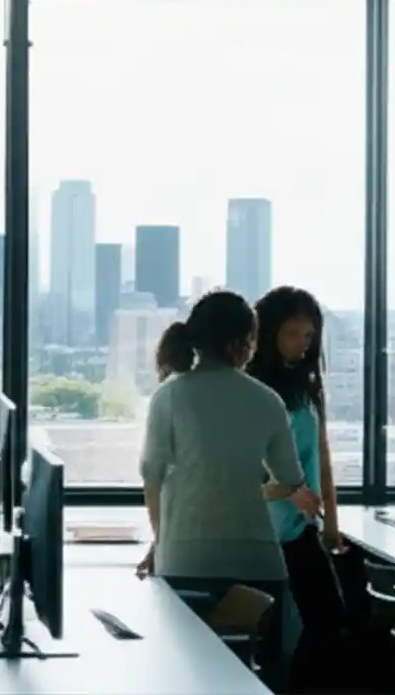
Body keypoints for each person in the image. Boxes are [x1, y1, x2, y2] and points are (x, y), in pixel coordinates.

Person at [135, 290, 317, 687]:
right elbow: (290, 479)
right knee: (263, 679)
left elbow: (152, 478)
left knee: (184, 680)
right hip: (257, 568)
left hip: (185, 564)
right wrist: (249, 489)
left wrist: (162, 542)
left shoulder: (169, 395)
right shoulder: (267, 400)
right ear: (244, 342)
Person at [249, 286, 349, 689]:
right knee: (270, 635)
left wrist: (331, 525)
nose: (302, 344)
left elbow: (321, 457)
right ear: (268, 333)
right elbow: (244, 472)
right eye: (292, 333)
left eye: (308, 335)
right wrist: (289, 491)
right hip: (263, 528)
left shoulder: (306, 386)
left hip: (300, 525)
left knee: (329, 619)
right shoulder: (252, 389)